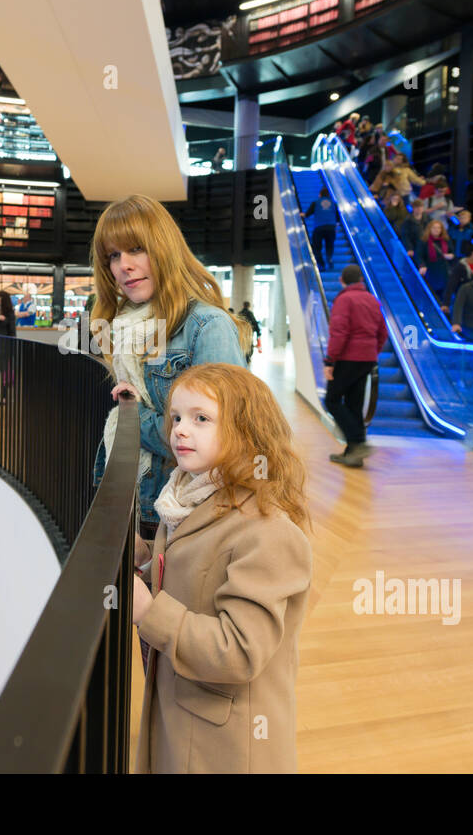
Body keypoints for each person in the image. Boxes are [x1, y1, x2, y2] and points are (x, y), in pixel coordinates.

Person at [130, 363, 312, 773]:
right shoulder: (184, 498)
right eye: (176, 417)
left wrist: (146, 611)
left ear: (247, 431)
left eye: (201, 419)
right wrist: (145, 565)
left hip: (225, 743)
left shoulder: (266, 532)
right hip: (184, 710)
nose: (179, 429)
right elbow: (191, 577)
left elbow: (240, 651)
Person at [90, 193, 248, 552]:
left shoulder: (206, 325)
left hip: (188, 516)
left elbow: (224, 439)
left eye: (135, 249)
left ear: (164, 249)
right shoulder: (125, 326)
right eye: (113, 255)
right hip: (138, 500)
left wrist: (133, 416)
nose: (123, 265)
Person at [323, 264, 387, 467]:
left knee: (332, 400)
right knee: (354, 404)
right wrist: (371, 352)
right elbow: (382, 333)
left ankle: (359, 442)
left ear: (342, 280)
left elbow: (339, 332)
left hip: (348, 357)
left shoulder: (344, 299)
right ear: (360, 280)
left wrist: (330, 360)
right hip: (367, 358)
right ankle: (353, 454)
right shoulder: (372, 299)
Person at [414, 217, 455, 307]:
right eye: (434, 228)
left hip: (444, 271)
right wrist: (422, 265)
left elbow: (453, 252)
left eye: (439, 228)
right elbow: (419, 255)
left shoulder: (446, 240)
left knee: (445, 295)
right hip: (431, 271)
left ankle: (444, 313)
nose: (437, 230)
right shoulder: (424, 241)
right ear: (429, 229)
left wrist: (451, 256)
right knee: (431, 295)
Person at [304, 187, 337, 271]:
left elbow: (307, 214)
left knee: (317, 247)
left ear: (320, 194)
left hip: (319, 227)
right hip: (331, 227)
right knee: (329, 245)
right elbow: (337, 217)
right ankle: (329, 258)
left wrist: (301, 215)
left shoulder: (315, 203)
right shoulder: (334, 203)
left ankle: (321, 264)